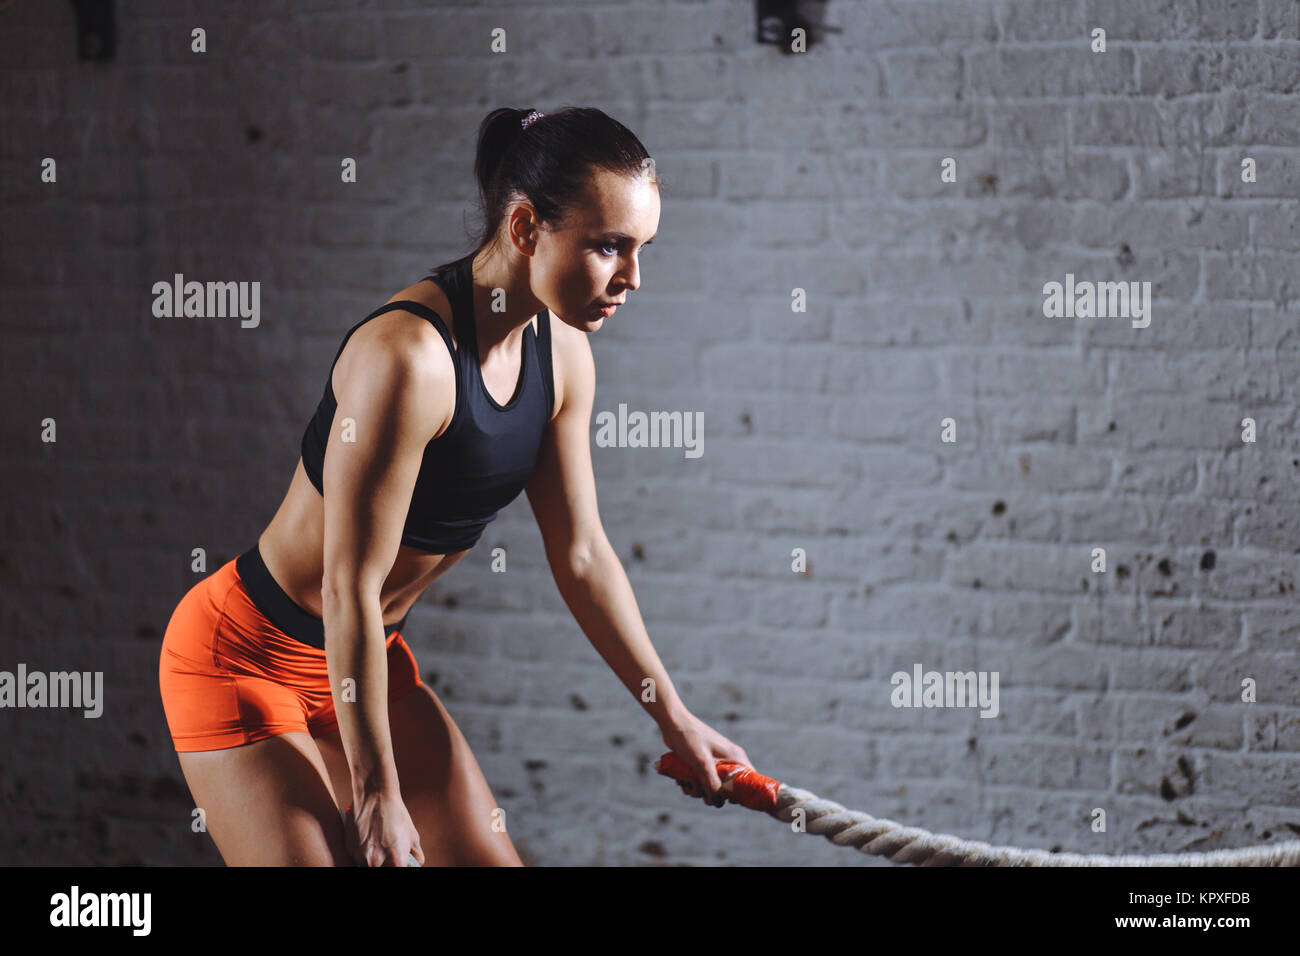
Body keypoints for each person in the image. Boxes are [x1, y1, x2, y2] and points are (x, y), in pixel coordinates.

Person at [158, 106, 754, 866]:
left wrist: (674, 718)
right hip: (245, 655)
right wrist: (378, 796)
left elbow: (581, 555)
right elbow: (349, 589)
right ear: (526, 229)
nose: (633, 278)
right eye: (609, 247)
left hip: (368, 659)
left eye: (640, 249)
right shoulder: (409, 359)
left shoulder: (562, 354)